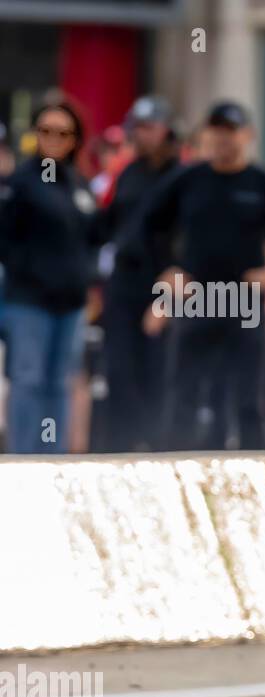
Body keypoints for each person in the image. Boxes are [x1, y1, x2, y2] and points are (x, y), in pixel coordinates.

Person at [139, 101, 265, 451]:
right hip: (198, 297)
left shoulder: (264, 183)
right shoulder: (189, 179)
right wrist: (166, 268)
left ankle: (260, 475)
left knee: (249, 399)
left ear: (248, 135)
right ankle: (178, 468)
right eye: (216, 131)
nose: (223, 139)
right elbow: (148, 225)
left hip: (245, 300)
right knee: (184, 393)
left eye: (231, 131)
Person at [0, 98, 97, 454]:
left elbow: (91, 237)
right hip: (30, 301)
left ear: (74, 139)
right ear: (35, 135)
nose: (54, 139)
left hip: (70, 303)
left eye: (63, 133)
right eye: (46, 131)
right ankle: (25, 459)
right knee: (28, 379)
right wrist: (31, 271)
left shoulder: (77, 183)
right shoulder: (22, 183)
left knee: (60, 383)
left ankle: (52, 459)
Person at [96, 95, 181, 451]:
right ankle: (120, 447)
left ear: (166, 130)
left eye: (148, 128)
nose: (141, 136)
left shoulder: (183, 176)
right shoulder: (128, 172)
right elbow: (106, 223)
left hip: (163, 283)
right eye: (138, 129)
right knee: (119, 367)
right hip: (124, 280)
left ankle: (156, 447)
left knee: (157, 370)